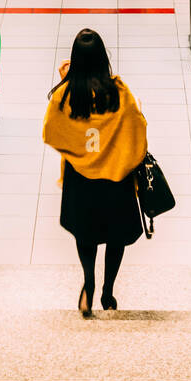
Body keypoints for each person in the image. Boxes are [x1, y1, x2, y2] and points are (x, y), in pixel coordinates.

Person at [42, 29, 148, 317]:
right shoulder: (119, 92)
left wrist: (79, 152)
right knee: (115, 238)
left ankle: (88, 284)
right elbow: (138, 129)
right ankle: (108, 292)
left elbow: (51, 134)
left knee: (86, 236)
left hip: (81, 181)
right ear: (104, 58)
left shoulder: (65, 95)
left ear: (76, 60)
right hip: (116, 178)